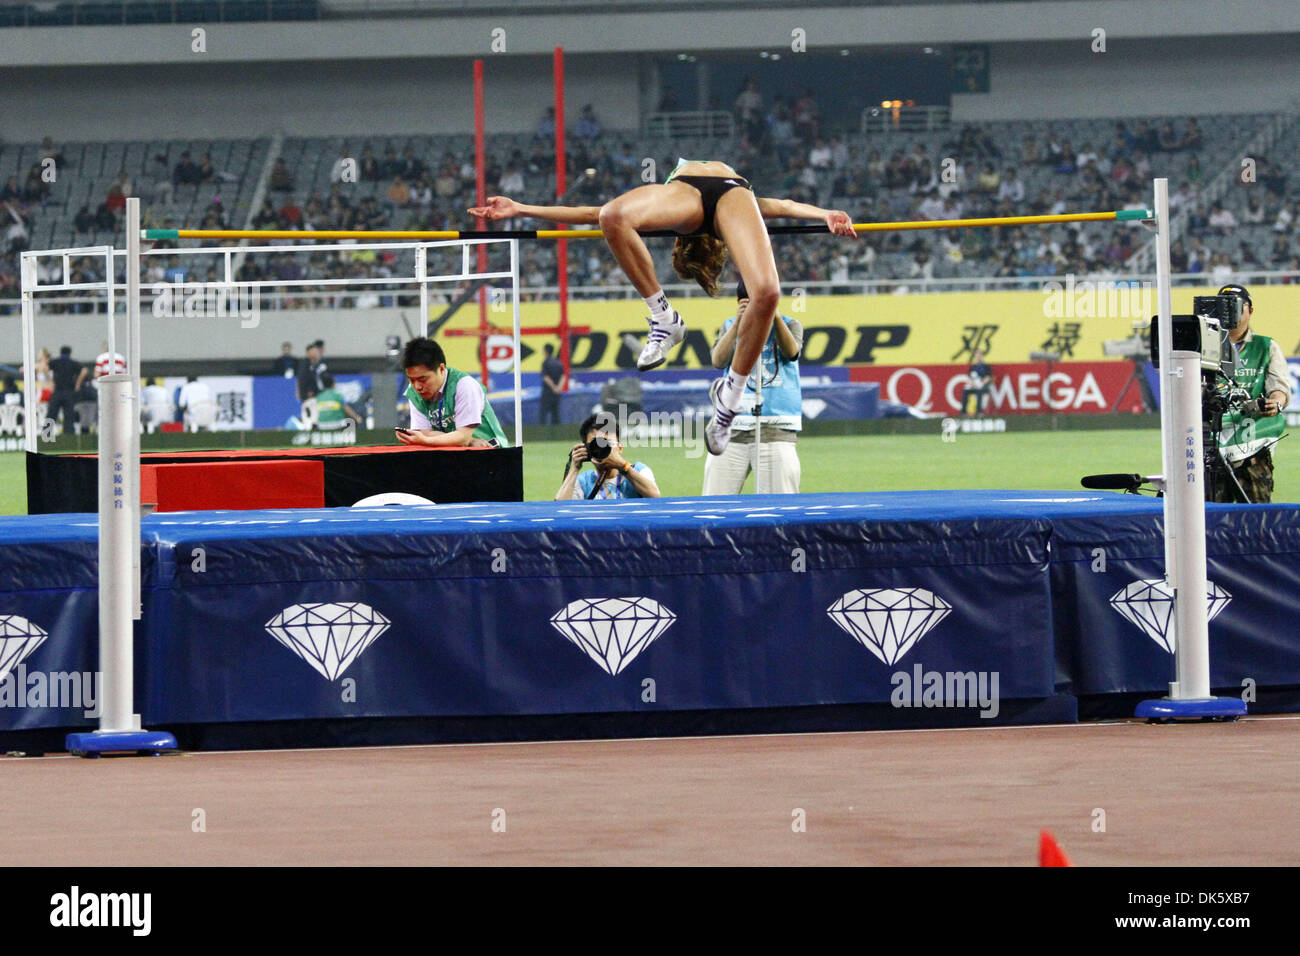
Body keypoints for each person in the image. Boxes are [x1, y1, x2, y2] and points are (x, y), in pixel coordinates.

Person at [467, 160, 856, 456]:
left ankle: (726, 402)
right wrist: (824, 214)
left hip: (696, 186)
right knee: (766, 292)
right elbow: (785, 205)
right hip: (727, 187)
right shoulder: (727, 214)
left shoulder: (687, 217)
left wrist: (522, 208)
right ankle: (667, 321)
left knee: (766, 295)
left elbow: (589, 213)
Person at [703, 279, 803, 495]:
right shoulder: (729, 325)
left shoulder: (790, 324)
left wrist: (773, 314)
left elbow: (792, 352)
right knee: (714, 505)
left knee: (779, 510)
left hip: (775, 428)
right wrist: (739, 322)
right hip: (731, 429)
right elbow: (718, 361)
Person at [1209, 284, 1290, 503]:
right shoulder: (1203, 345)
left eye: (1236, 306)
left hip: (1253, 445)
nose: (1230, 312)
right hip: (1211, 447)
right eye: (1223, 306)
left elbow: (1279, 387)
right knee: (1210, 520)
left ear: (1250, 311)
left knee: (1257, 518)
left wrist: (1275, 402)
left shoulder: (1266, 346)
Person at [396, 337, 509, 448]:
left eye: (423, 379)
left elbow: (463, 437)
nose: (417, 386)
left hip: (492, 452)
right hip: (456, 453)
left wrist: (426, 440)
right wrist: (468, 441)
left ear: (441, 369)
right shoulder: (413, 391)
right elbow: (426, 433)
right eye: (411, 379)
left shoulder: (465, 385)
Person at [556, 412, 660, 500]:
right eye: (596, 443)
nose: (602, 448)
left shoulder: (639, 470)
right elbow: (561, 510)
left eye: (607, 442)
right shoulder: (583, 481)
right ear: (586, 448)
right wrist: (574, 468)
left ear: (619, 448)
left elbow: (655, 497)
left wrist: (623, 466)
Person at [47, 346, 82, 434]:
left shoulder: (55, 362)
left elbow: (44, 367)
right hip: (69, 392)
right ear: (70, 353)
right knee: (69, 414)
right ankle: (68, 436)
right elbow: (84, 371)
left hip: (57, 391)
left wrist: (50, 381)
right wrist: (78, 384)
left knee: (51, 413)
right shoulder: (73, 363)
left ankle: (47, 435)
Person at [960, 349, 994, 416]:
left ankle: (979, 412)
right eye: (976, 355)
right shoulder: (973, 367)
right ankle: (963, 412)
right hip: (974, 385)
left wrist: (980, 383)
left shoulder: (986, 366)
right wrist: (973, 384)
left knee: (979, 391)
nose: (978, 357)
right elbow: (969, 378)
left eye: (979, 355)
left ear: (982, 356)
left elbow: (988, 377)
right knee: (965, 391)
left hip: (983, 386)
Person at [539, 342, 565, 426]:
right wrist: (558, 388)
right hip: (556, 393)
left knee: (543, 414)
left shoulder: (546, 363)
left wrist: (553, 387)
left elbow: (545, 377)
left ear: (546, 351)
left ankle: (542, 433)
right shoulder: (558, 362)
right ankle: (557, 434)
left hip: (547, 392)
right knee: (555, 414)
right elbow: (563, 376)